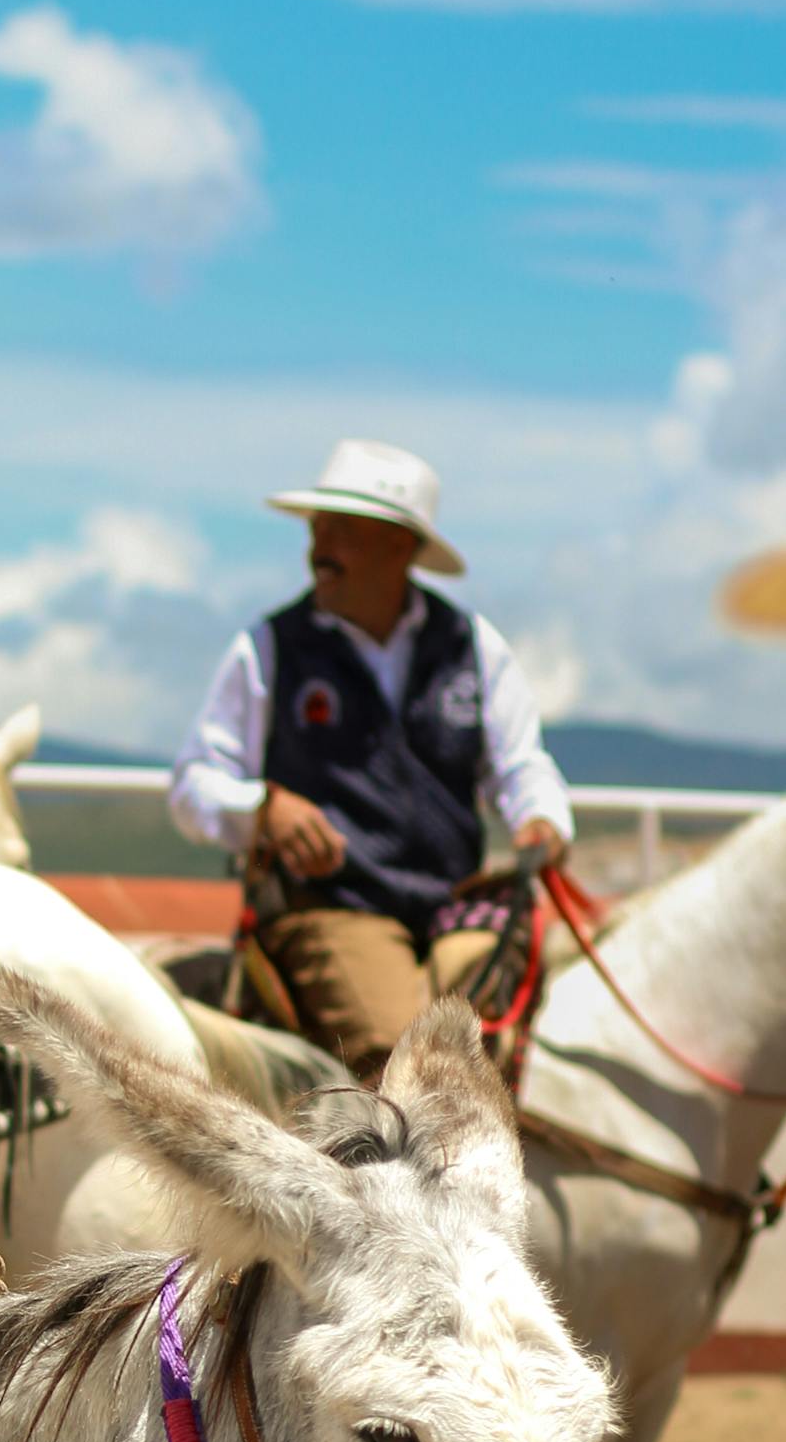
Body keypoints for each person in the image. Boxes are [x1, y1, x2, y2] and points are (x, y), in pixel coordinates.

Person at [169, 438, 573, 1084]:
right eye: (317, 528)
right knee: (398, 1059)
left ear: (400, 546)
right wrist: (264, 809)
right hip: (331, 903)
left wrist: (543, 820)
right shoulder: (271, 645)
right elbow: (194, 784)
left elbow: (521, 765)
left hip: (451, 903)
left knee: (519, 1024)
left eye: (341, 530)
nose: (316, 548)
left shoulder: (473, 647)